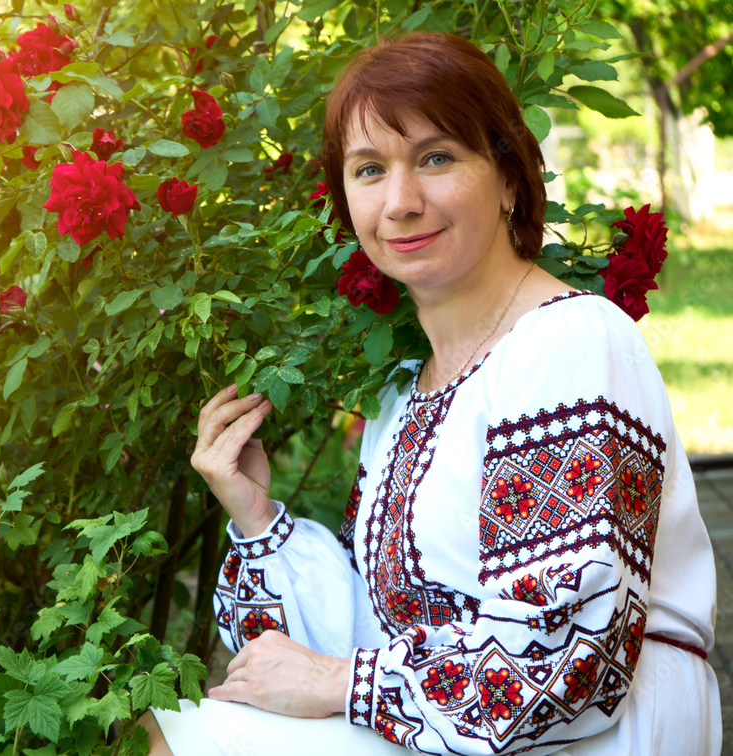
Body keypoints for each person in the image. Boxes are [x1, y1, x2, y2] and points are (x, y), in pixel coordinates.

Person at [140, 32, 721, 755]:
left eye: (436, 158)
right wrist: (257, 517)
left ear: (510, 177)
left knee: (178, 742)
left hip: (592, 736)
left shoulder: (568, 344)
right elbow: (368, 639)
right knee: (172, 734)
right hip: (464, 733)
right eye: (369, 169)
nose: (401, 202)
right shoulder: (406, 395)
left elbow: (569, 658)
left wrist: (342, 686)